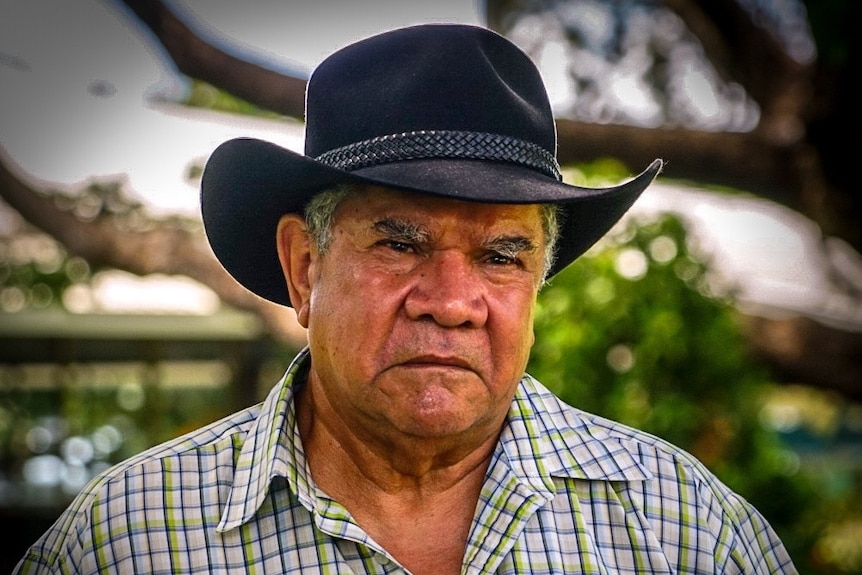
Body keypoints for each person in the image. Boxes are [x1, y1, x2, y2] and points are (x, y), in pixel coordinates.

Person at [15, 23, 797, 575]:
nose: (453, 302)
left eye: (501, 255)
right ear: (303, 268)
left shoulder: (687, 529)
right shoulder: (124, 539)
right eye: (400, 242)